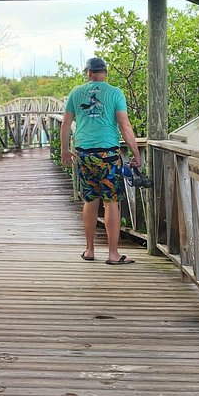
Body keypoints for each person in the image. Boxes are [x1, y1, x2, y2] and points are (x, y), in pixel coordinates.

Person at [60, 57, 141, 264]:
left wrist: (65, 151)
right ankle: (113, 254)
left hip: (84, 154)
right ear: (105, 72)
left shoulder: (76, 93)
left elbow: (66, 124)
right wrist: (136, 152)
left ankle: (89, 250)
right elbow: (125, 125)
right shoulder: (115, 93)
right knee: (111, 202)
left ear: (88, 73)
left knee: (89, 200)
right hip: (108, 155)